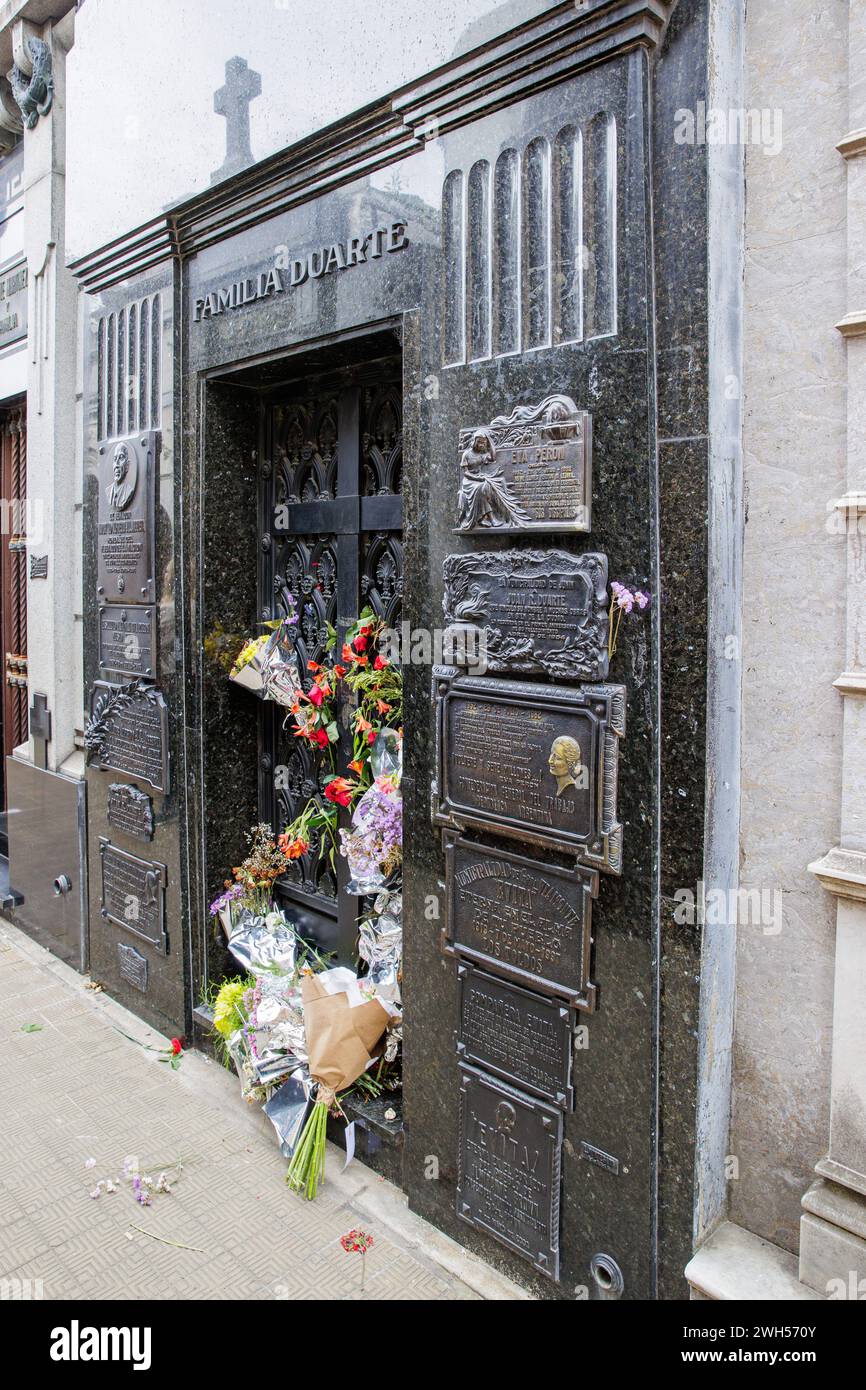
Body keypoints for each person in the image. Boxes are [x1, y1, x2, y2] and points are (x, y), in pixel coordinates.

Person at [456, 428, 530, 529]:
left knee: (497, 483)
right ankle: (491, 519)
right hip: (469, 481)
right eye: (479, 442)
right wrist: (478, 479)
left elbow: (492, 457)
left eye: (483, 443)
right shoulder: (467, 454)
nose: (481, 445)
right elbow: (466, 473)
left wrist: (490, 442)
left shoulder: (482, 454)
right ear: (474, 442)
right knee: (481, 488)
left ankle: (499, 515)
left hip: (480, 478)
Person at [106, 441, 137, 510]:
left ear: (127, 465)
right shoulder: (108, 491)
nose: (116, 464)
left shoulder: (129, 491)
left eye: (121, 458)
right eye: (115, 459)